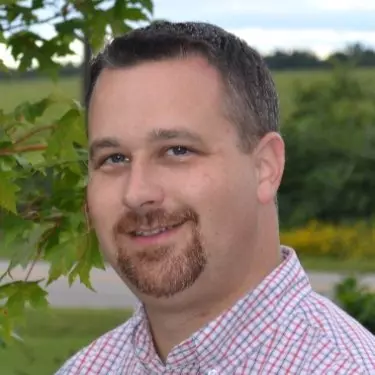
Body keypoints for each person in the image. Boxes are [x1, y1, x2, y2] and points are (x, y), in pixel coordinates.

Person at [55, 21, 375, 375]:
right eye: (113, 158)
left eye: (177, 150)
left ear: (265, 168)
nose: (137, 193)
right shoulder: (86, 369)